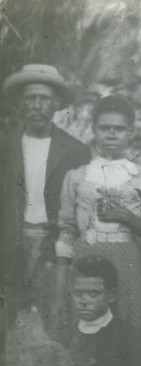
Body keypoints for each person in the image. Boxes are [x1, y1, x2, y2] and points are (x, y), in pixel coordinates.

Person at [54, 95, 141, 354]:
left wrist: (128, 218)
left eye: (119, 129)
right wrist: (61, 285)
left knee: (129, 330)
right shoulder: (76, 178)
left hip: (128, 261)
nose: (111, 135)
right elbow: (67, 230)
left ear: (130, 132)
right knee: (86, 331)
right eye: (105, 128)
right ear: (94, 131)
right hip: (85, 259)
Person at [0, 64, 91, 329]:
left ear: (56, 104)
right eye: (30, 98)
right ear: (20, 102)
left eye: (44, 99)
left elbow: (80, 207)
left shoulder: (76, 150)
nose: (37, 105)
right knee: (8, 319)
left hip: (54, 245)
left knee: (53, 319)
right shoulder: (4, 144)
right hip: (10, 241)